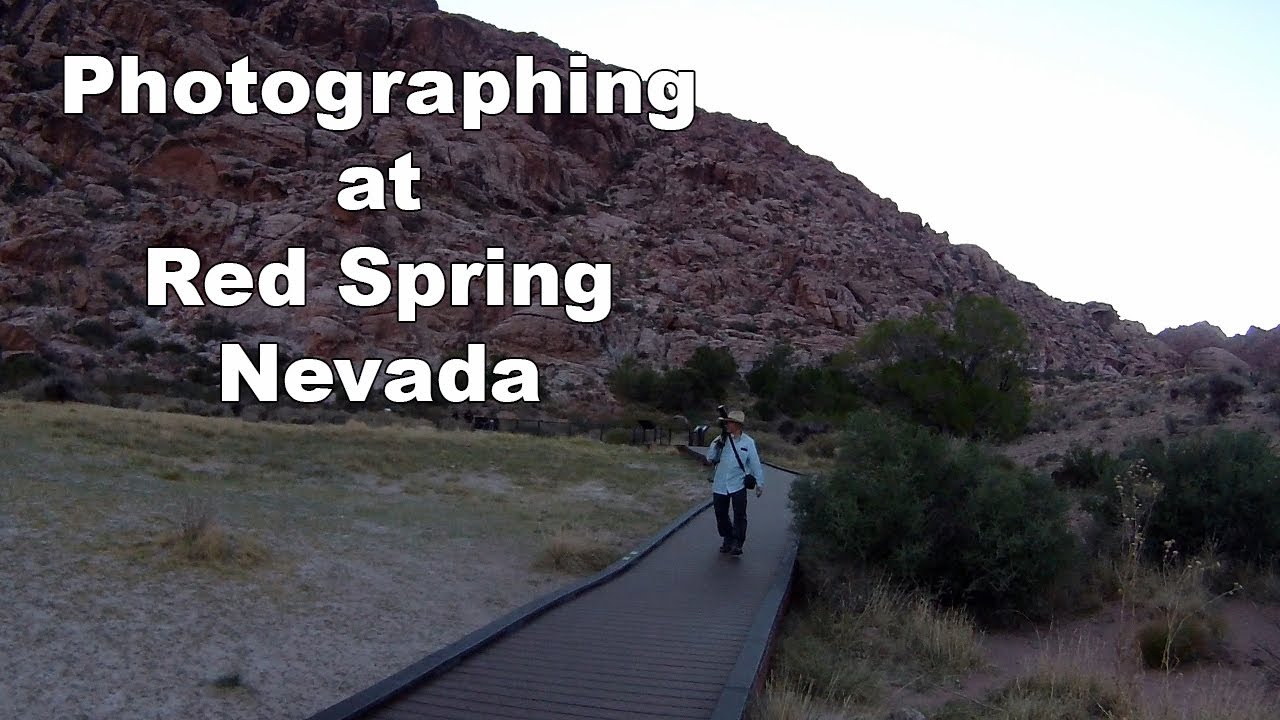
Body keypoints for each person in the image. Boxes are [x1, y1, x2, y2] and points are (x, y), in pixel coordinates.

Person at [704, 409, 765, 555]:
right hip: (720, 483)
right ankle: (727, 538)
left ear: (738, 425)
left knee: (739, 514)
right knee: (721, 513)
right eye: (727, 422)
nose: (727, 425)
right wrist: (717, 443)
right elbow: (709, 458)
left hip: (738, 484)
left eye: (730, 423)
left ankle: (738, 542)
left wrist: (759, 483)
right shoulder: (720, 439)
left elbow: (755, 463)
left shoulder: (748, 442)